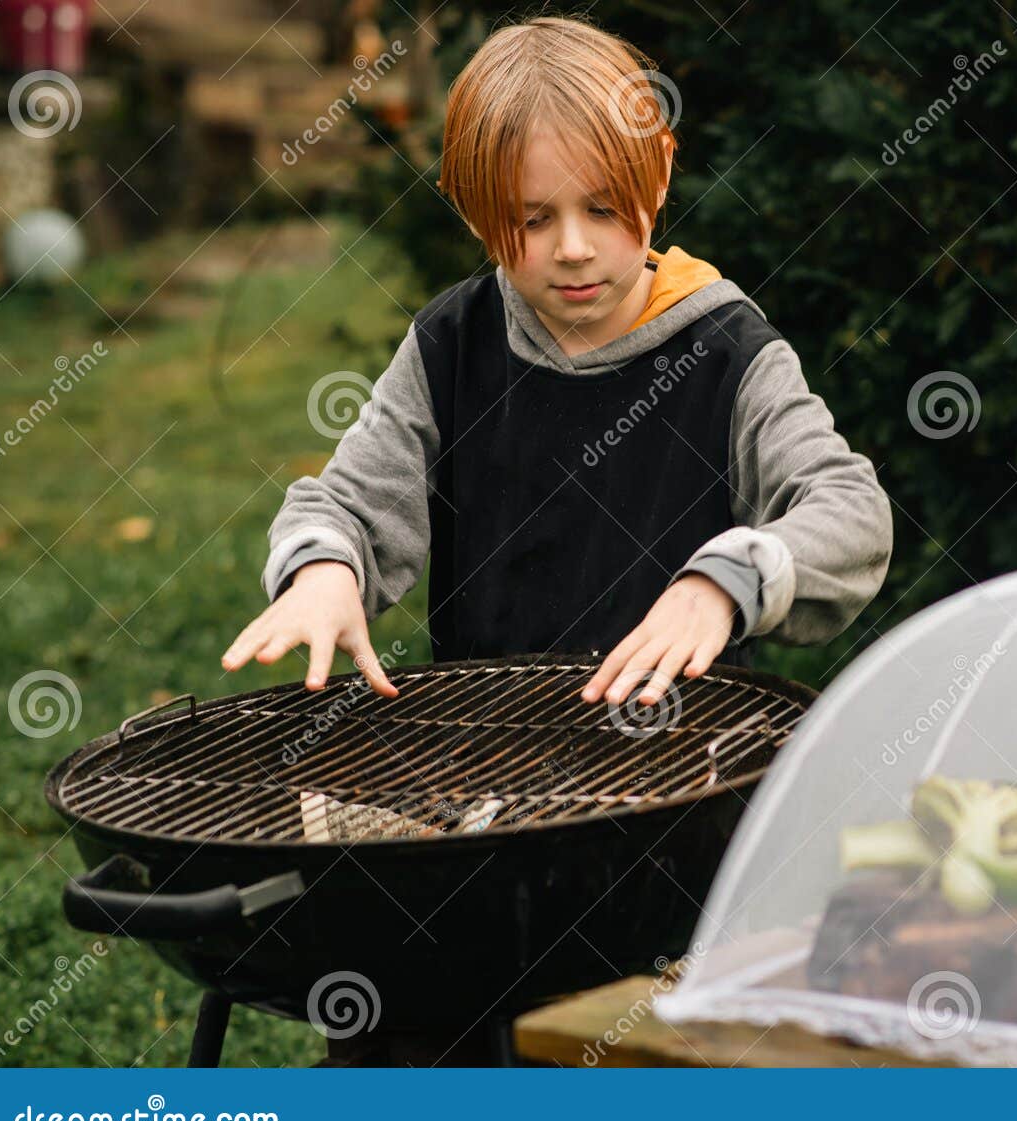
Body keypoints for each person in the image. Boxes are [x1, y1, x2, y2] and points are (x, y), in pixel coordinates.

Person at [221, 15, 892, 709]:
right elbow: (349, 503)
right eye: (533, 218)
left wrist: (725, 582)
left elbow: (851, 514)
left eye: (602, 208)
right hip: (489, 763)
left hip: (685, 768)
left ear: (658, 175)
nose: (573, 247)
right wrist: (326, 567)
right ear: (477, 215)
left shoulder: (730, 354)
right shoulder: (450, 344)